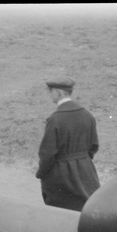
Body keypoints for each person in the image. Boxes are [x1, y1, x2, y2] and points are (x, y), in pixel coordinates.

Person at [35, 76, 101, 211]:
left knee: (62, 212)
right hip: (86, 172)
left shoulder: (55, 119)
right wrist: (82, 162)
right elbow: (93, 146)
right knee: (86, 209)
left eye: (51, 91)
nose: (50, 94)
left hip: (62, 175)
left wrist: (41, 173)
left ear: (58, 93)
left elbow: (47, 155)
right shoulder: (87, 115)